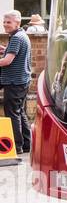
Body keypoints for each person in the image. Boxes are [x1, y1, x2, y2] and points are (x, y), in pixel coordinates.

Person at [0, 11, 32, 154]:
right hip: (22, 82)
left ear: (17, 23)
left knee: (12, 114)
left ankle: (17, 146)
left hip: (14, 82)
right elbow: (14, 53)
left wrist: (5, 54)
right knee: (20, 112)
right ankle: (26, 144)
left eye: (9, 22)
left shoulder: (16, 38)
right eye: (4, 21)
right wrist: (4, 49)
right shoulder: (21, 35)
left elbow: (7, 61)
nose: (5, 24)